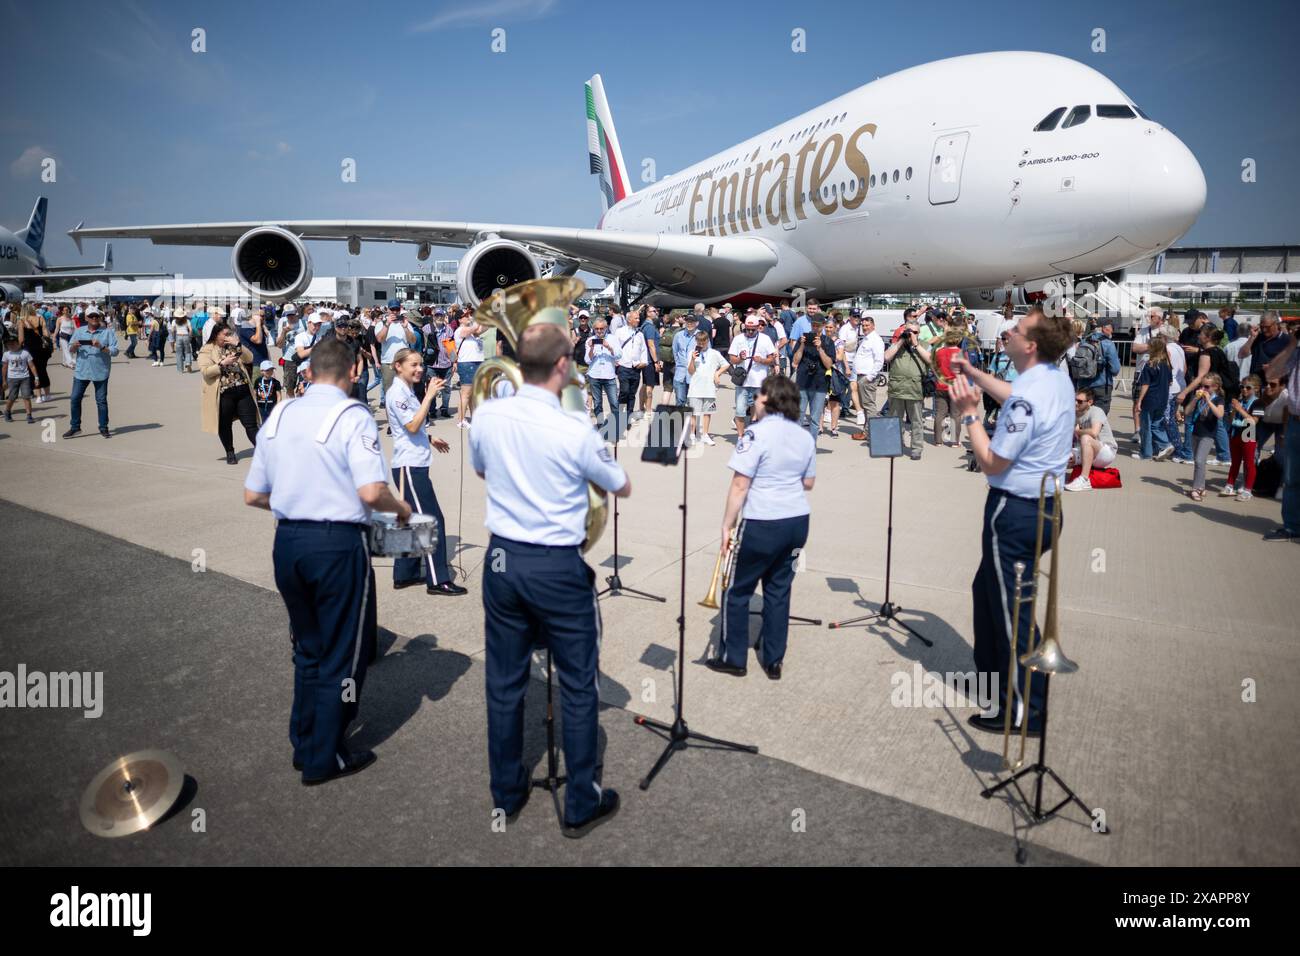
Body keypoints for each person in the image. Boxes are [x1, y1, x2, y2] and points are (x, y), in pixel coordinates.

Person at [469, 323, 630, 837]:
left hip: (502, 560)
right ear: (563, 366)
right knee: (579, 684)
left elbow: (480, 470)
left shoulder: (488, 414)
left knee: (504, 682)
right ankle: (580, 800)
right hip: (557, 566)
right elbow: (620, 485)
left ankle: (506, 793)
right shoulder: (574, 429)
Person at [244, 336, 410, 785]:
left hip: (289, 542)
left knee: (308, 649)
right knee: (344, 655)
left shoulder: (279, 413)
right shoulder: (353, 417)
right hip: (336, 546)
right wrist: (403, 512)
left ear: (310, 370)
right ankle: (325, 756)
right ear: (355, 371)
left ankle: (305, 742)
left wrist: (299, 502)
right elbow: (372, 492)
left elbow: (254, 494)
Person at [947, 305, 1075, 739]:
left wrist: (969, 414)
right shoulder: (1051, 376)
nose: (1008, 333)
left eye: (1016, 330)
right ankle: (994, 684)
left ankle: (1023, 712)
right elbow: (1013, 392)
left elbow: (990, 461)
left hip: (1014, 510)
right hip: (1042, 506)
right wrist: (975, 374)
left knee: (1012, 615)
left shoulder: (1029, 394)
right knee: (987, 594)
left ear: (1031, 344)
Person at [709, 374, 815, 681]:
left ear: (768, 399)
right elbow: (808, 482)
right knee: (779, 590)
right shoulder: (804, 435)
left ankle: (733, 656)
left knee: (737, 590)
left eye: (757, 397)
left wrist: (726, 525)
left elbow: (740, 484)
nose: (754, 402)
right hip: (797, 520)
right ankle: (773, 659)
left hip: (762, 520)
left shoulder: (754, 435)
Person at [385, 348, 465, 596]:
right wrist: (429, 396)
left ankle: (404, 574)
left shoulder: (406, 390)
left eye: (420, 364)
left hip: (415, 461)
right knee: (431, 520)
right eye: (413, 365)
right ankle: (438, 579)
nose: (419, 369)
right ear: (398, 366)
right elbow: (411, 425)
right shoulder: (397, 392)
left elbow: (410, 425)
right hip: (409, 465)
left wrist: (429, 437)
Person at [199, 321, 260, 464]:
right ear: (216, 334)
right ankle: (230, 451)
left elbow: (249, 358)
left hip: (243, 389)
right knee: (224, 425)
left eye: (229, 334)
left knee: (251, 424)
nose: (228, 337)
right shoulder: (207, 350)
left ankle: (262, 451)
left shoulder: (234, 345)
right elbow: (206, 372)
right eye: (225, 334)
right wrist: (222, 364)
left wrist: (238, 344)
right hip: (223, 393)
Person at [1261, 326, 1300, 541]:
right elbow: (1271, 373)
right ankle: (1292, 527)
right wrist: (1292, 343)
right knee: (1292, 477)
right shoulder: (1296, 354)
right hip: (1295, 420)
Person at [64, 306, 118, 439]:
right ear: (86, 318)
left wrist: (101, 347)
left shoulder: (107, 332)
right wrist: (74, 347)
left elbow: (115, 351)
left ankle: (103, 427)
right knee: (75, 398)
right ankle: (75, 427)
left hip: (100, 371)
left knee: (101, 401)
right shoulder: (79, 331)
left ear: (100, 317)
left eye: (97, 316)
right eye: (91, 316)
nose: (94, 318)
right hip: (82, 371)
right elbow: (70, 349)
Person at [883, 314, 931, 460]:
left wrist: (916, 344)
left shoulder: (924, 345)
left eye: (915, 332)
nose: (911, 334)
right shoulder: (898, 344)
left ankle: (916, 448)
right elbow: (886, 357)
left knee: (916, 421)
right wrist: (901, 341)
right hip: (897, 388)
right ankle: (894, 445)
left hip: (915, 389)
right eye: (909, 331)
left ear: (919, 333)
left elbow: (930, 359)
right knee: (894, 420)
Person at [1177, 373, 1225, 502]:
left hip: (1208, 435)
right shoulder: (1198, 397)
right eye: (1201, 386)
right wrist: (1195, 399)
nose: (1203, 389)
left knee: (1198, 461)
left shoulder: (1218, 399)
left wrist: (1208, 401)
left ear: (1215, 387)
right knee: (1200, 462)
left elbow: (1220, 415)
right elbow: (1187, 412)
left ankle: (1196, 488)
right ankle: (1202, 487)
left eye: (1207, 386)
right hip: (1196, 432)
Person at [728, 316, 777, 434]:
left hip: (759, 381)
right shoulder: (738, 339)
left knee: (760, 412)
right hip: (743, 381)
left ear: (757, 327)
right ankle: (740, 437)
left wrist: (761, 360)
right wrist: (740, 358)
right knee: (740, 411)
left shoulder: (765, 339)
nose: (750, 332)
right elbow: (732, 359)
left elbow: (772, 359)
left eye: (753, 329)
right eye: (747, 329)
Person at [792, 311, 835, 445]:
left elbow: (828, 365)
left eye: (818, 326)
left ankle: (811, 446)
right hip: (802, 383)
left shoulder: (828, 342)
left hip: (819, 385)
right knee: (798, 417)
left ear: (823, 326)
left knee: (815, 420)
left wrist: (820, 348)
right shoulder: (803, 339)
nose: (815, 328)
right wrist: (802, 345)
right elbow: (795, 361)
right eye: (813, 325)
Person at [1131, 335, 1175, 461]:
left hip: (1150, 398)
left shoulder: (1150, 364)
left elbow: (1145, 384)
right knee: (1156, 425)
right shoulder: (1166, 364)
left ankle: (1147, 452)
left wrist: (1139, 400)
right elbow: (1170, 382)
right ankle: (1163, 444)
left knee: (1146, 426)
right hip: (1163, 398)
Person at [1221, 374, 1261, 501]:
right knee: (1235, 462)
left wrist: (1239, 409)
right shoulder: (1241, 401)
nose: (1244, 390)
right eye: (1242, 387)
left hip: (1249, 434)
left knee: (1249, 463)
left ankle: (1248, 490)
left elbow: (1253, 421)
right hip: (1236, 433)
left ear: (1257, 389)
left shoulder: (1258, 402)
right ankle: (1230, 485)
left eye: (1248, 387)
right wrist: (1234, 410)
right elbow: (1232, 419)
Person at [685, 327, 726, 445]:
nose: (701, 344)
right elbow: (691, 371)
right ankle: (692, 434)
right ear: (696, 342)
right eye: (699, 342)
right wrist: (692, 359)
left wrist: (717, 374)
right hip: (695, 387)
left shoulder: (714, 353)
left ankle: (705, 435)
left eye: (703, 341)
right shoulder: (692, 353)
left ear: (708, 340)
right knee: (694, 412)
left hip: (709, 387)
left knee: (707, 412)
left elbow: (725, 365)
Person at [611, 307, 648, 439]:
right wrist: (615, 361)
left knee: (632, 393)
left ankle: (628, 417)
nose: (638, 320)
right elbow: (614, 347)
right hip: (623, 367)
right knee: (624, 391)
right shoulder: (620, 332)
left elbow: (643, 349)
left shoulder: (640, 334)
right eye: (636, 318)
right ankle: (620, 415)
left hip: (636, 367)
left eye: (639, 318)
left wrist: (644, 362)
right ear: (629, 320)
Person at [849, 315, 885, 442]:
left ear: (873, 326)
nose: (865, 328)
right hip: (862, 376)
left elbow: (879, 360)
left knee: (869, 406)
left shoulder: (875, 340)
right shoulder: (867, 338)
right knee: (866, 405)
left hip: (867, 377)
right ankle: (867, 431)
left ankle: (870, 433)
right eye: (863, 325)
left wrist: (869, 377)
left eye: (867, 325)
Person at [584, 317, 620, 440]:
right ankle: (601, 428)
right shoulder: (590, 340)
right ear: (594, 329)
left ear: (606, 328)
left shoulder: (613, 339)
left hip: (609, 375)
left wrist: (609, 347)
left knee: (614, 403)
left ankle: (615, 429)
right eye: (597, 329)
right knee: (598, 404)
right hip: (595, 375)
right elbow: (587, 360)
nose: (599, 331)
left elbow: (619, 355)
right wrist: (592, 349)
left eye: (602, 328)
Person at [1079, 317, 1121, 414]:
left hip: (1083, 384)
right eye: (1111, 328)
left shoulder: (1083, 341)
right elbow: (1115, 370)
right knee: (1099, 419)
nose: (1112, 331)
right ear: (1104, 328)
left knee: (1083, 417)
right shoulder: (1108, 344)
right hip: (1101, 386)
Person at [453, 312, 485, 429]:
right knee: (466, 394)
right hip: (467, 364)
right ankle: (461, 420)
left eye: (468, 316)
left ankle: (474, 417)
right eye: (465, 316)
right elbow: (476, 327)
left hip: (477, 363)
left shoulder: (472, 332)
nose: (467, 317)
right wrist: (477, 320)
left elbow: (482, 328)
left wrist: (489, 318)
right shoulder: (460, 331)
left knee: (472, 395)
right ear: (459, 320)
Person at [17, 306, 53, 404]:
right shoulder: (40, 318)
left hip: (30, 349)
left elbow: (21, 339)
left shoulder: (22, 321)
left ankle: (39, 396)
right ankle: (48, 394)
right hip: (42, 349)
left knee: (34, 372)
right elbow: (46, 334)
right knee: (43, 370)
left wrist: (18, 349)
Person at [3, 335, 37, 424]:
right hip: (12, 378)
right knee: (12, 397)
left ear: (18, 343)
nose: (11, 346)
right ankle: (7, 411)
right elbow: (4, 367)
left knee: (26, 396)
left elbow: (32, 366)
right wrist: (4, 380)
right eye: (9, 345)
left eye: (13, 344)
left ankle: (29, 415)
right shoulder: (6, 354)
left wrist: (36, 377)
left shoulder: (25, 353)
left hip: (25, 377)